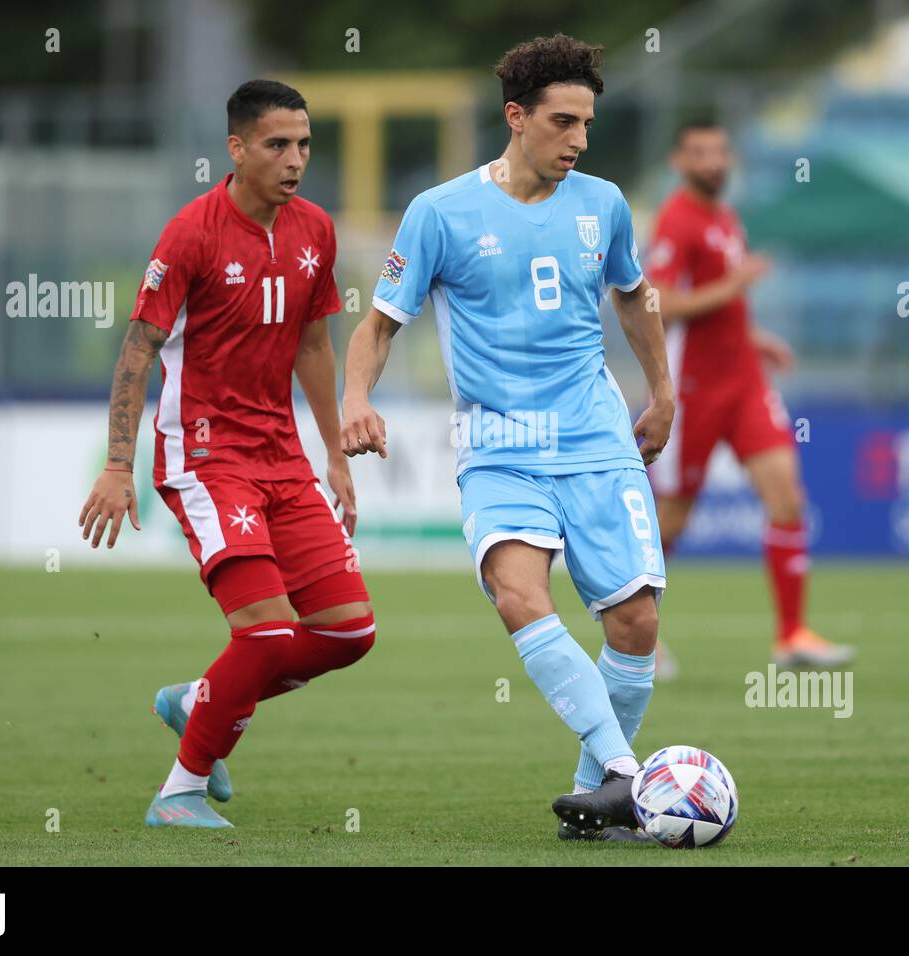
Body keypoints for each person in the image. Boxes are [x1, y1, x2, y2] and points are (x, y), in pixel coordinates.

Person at [341, 35, 672, 840]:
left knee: (636, 625)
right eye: (563, 122)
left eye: (588, 124)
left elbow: (634, 296)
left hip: (595, 436)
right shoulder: (440, 213)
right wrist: (355, 396)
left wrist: (663, 391)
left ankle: (597, 795)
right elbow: (378, 327)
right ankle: (629, 772)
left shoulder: (605, 204)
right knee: (519, 597)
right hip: (500, 446)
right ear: (516, 117)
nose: (579, 141)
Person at [78, 79, 375, 829]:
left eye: (305, 144)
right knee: (269, 632)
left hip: (282, 457)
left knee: (348, 632)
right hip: (207, 458)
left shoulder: (314, 230)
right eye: (277, 144)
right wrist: (118, 466)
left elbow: (313, 342)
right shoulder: (192, 233)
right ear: (235, 149)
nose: (295, 159)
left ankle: (196, 700)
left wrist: (334, 447)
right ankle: (178, 792)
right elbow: (138, 349)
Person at [646, 120, 853, 670]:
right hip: (693, 391)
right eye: (698, 152)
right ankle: (633, 629)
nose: (712, 161)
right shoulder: (677, 220)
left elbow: (713, 308)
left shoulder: (724, 215)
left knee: (787, 497)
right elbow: (659, 303)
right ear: (678, 161)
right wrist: (733, 287)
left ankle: (791, 636)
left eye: (718, 150)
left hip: (744, 383)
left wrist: (752, 338)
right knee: (674, 518)